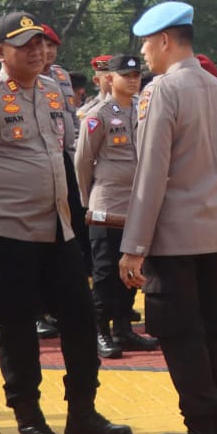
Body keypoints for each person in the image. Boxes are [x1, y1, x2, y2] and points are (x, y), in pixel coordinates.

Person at [0, 11, 130, 434]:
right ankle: (29, 421)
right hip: (8, 232)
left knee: (80, 321)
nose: (36, 51)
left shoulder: (49, 89)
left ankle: (82, 411)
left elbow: (60, 150)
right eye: (24, 44)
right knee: (19, 330)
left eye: (40, 43)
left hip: (58, 227)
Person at [117, 2, 217, 434]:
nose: (144, 54)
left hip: (172, 239)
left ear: (166, 40)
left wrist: (134, 246)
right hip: (215, 230)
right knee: (213, 333)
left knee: (181, 337)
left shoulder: (162, 92)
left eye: (147, 44)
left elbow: (151, 174)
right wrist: (208, 197)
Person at [75, 54, 158, 359]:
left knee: (132, 271)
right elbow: (83, 162)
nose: (134, 80)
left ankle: (124, 329)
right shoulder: (98, 114)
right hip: (107, 205)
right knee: (106, 271)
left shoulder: (143, 110)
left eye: (137, 75)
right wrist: (89, 201)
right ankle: (101, 330)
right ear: (110, 78)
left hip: (136, 207)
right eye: (127, 75)